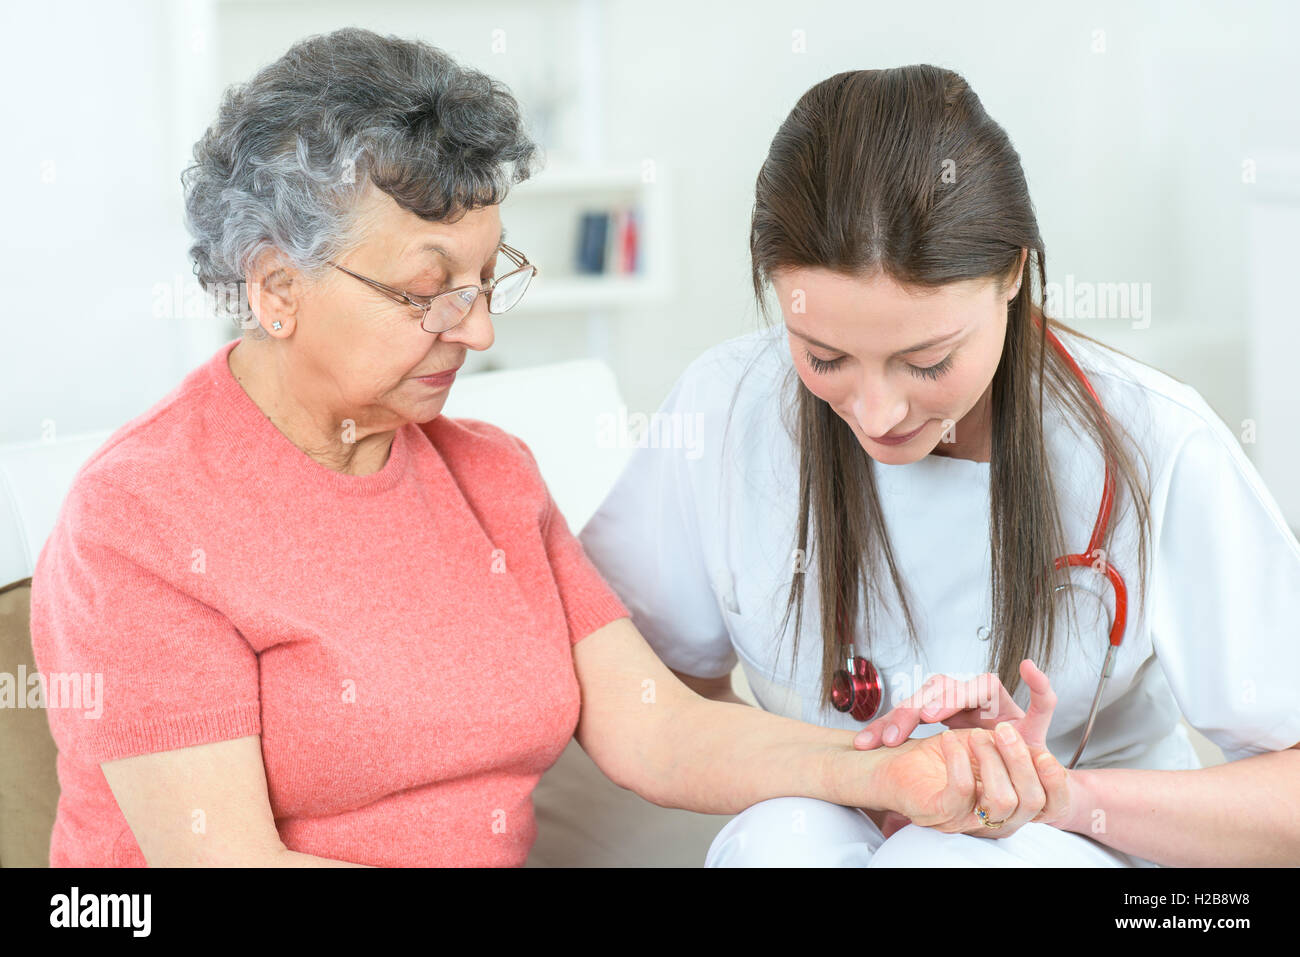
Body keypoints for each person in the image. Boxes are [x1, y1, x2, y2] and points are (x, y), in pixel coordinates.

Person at [28, 31, 1029, 869]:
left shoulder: (488, 474)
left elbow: (656, 728)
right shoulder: (146, 520)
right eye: (427, 294)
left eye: (485, 279)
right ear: (275, 286)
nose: (476, 332)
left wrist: (876, 771)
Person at [578, 65, 1300, 867]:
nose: (878, 413)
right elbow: (639, 691)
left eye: (927, 361)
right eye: (825, 357)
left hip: (1090, 845)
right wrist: (870, 776)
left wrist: (1060, 795)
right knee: (781, 841)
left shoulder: (1155, 442)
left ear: (1015, 272)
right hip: (830, 826)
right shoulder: (725, 411)